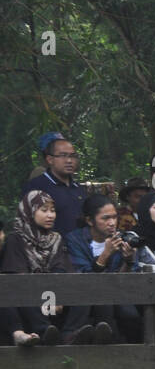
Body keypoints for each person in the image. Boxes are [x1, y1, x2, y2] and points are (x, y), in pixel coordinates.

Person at [1, 189, 96, 345]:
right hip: (31, 300)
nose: (50, 215)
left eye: (52, 211)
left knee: (86, 287)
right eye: (44, 210)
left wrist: (55, 295)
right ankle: (45, 332)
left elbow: (61, 268)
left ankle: (69, 334)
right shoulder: (15, 239)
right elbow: (17, 278)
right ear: (29, 212)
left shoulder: (56, 238)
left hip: (54, 299)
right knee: (21, 292)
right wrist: (46, 296)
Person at [22, 132, 88, 236]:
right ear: (50, 159)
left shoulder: (78, 188)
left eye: (73, 156)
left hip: (79, 250)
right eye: (63, 155)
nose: (69, 160)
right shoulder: (36, 187)